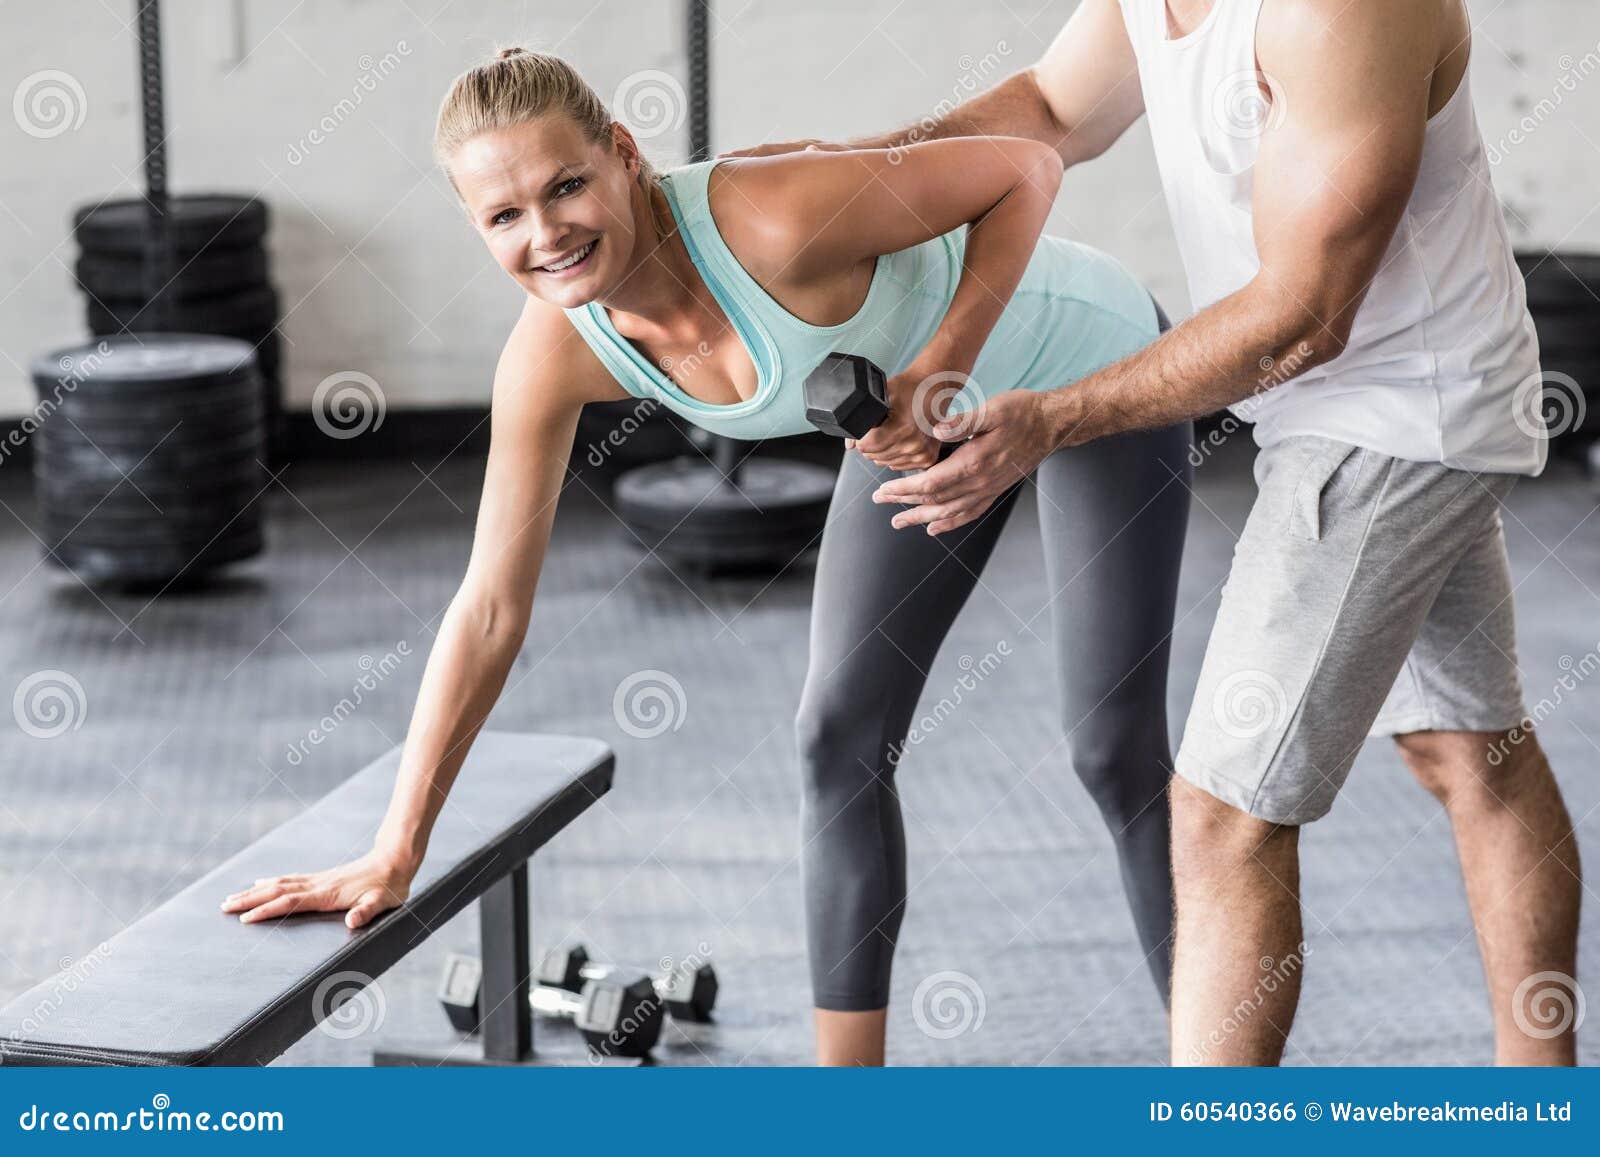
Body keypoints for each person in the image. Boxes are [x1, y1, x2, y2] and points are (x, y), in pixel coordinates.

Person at [221, 44, 1193, 1067]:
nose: (546, 234)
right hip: (914, 421)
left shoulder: (765, 219)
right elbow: (490, 608)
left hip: (1090, 367)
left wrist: (940, 365)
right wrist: (397, 843)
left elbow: (1026, 169)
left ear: (623, 156)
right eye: (505, 217)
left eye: (566, 187)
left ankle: (1213, 1074)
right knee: (836, 735)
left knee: (1111, 750)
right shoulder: (554, 351)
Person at [738, 0, 1582, 1065]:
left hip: (1393, 421)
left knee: (1219, 816)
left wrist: (1052, 417)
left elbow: (1300, 315)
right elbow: (1050, 108)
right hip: (1356, 401)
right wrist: (840, 174)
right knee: (1468, 748)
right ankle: (1538, 1091)